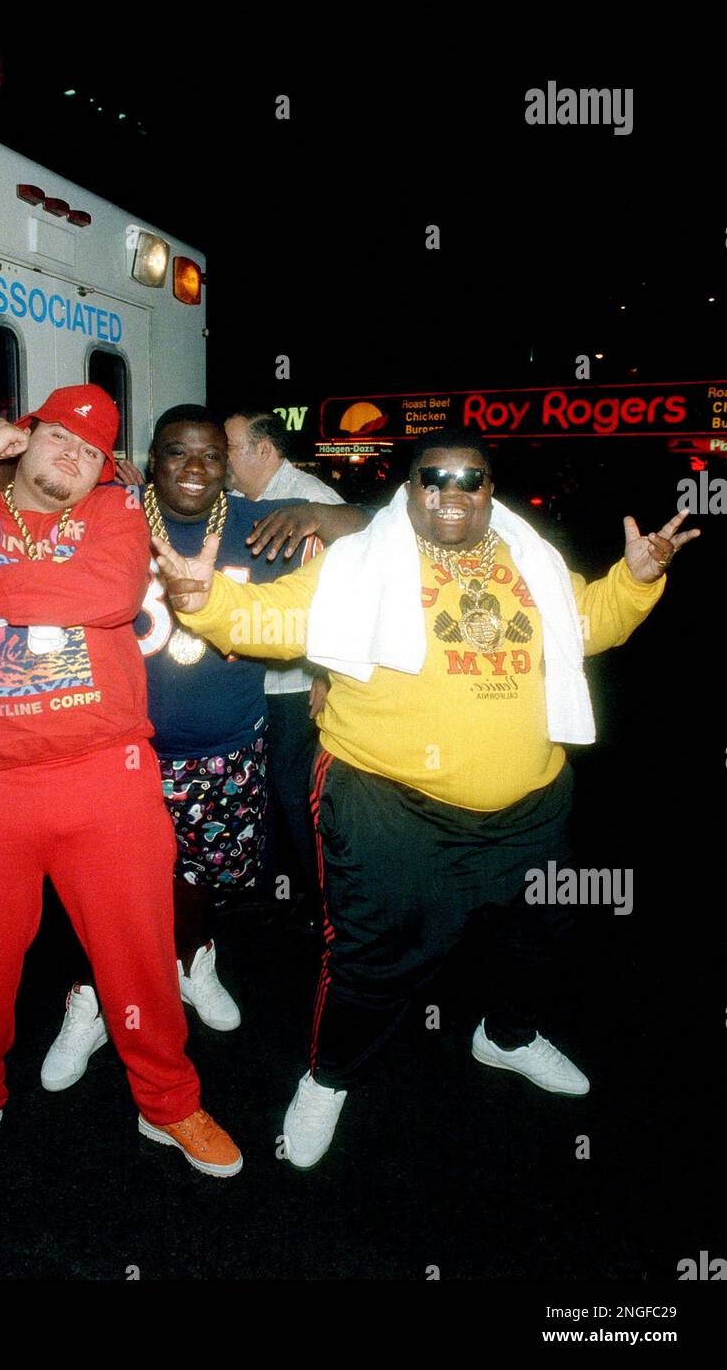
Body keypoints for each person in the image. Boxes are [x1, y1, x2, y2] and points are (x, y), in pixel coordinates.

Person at [151, 429, 700, 1169]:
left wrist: (633, 581)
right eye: (432, 478)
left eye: (469, 480)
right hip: (391, 806)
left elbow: (589, 625)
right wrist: (207, 600)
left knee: (536, 938)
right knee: (375, 961)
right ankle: (328, 1078)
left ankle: (505, 1039)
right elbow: (274, 618)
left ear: (488, 491)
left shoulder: (529, 561)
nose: (451, 493)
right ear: (408, 490)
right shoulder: (359, 565)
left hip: (531, 807)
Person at [0, 386, 244, 1191]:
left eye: (90, 452)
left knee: (139, 956)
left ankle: (168, 1100)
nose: (73, 459)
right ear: (23, 438)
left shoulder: (112, 515)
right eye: (58, 440)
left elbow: (107, 590)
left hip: (100, 780)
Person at [38, 405, 369, 1086]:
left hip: (225, 746)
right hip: (119, 747)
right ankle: (90, 995)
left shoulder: (260, 527)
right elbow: (6, 508)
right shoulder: (112, 520)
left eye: (211, 456)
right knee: (100, 882)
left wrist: (316, 517)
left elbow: (376, 534)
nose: (195, 469)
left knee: (197, 876)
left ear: (226, 463)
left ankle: (192, 958)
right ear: (151, 460)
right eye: (177, 454)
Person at [225, 409, 344, 931]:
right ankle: (277, 886)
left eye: (227, 447)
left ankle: (324, 902)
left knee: (297, 790)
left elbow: (348, 592)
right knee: (264, 787)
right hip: (251, 678)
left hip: (297, 682)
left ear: (263, 450)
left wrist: (325, 669)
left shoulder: (315, 502)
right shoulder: (236, 501)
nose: (219, 457)